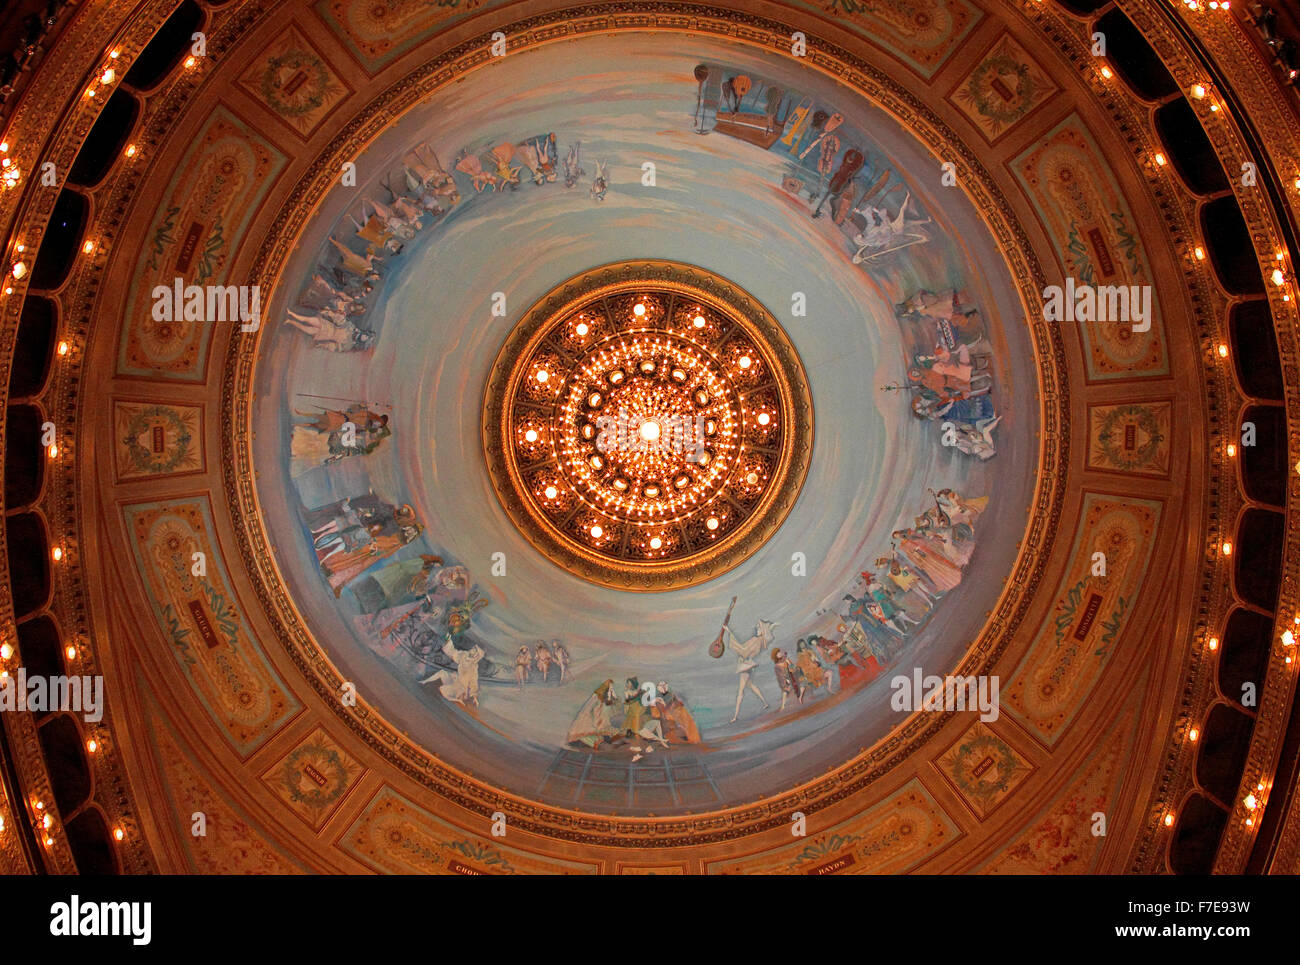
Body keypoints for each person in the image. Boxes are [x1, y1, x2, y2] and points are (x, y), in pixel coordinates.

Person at [725, 619, 775, 723]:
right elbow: (745, 650)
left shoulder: (756, 640)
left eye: (758, 628)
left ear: (762, 631)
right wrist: (771, 627)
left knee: (740, 691)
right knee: (751, 685)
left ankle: (735, 716)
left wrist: (729, 632)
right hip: (748, 665)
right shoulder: (760, 641)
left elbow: (743, 649)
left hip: (746, 666)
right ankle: (765, 703)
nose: (756, 629)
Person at [420, 637, 484, 706]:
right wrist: (448, 640)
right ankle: (424, 681)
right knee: (442, 672)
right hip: (455, 680)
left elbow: (473, 681)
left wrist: (474, 697)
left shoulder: (473, 667)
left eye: (475, 650)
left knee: (442, 689)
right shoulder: (464, 656)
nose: (472, 650)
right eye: (473, 648)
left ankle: (457, 700)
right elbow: (453, 653)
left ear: (476, 655)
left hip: (460, 687)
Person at [566, 680, 619, 748]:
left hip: (598, 724)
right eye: (610, 689)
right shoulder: (597, 699)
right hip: (590, 725)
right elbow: (595, 716)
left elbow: (613, 701)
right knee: (602, 737)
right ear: (605, 690)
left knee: (610, 734)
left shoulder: (602, 700)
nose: (612, 691)